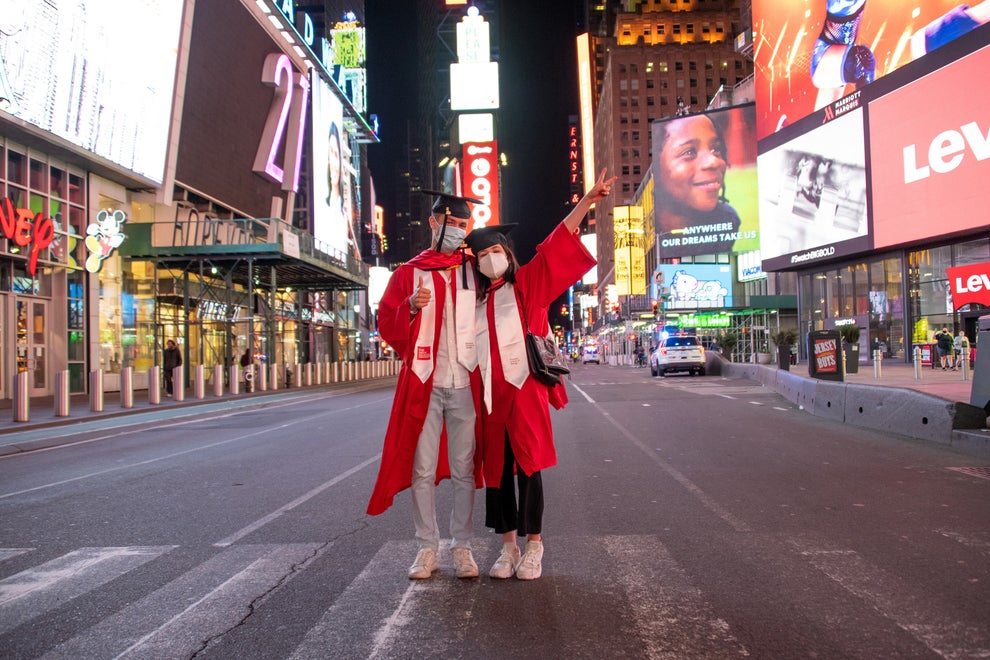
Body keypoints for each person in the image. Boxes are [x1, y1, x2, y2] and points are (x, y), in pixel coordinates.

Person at [465, 168, 615, 581]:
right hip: (492, 399)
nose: (488, 259)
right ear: (475, 265)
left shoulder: (528, 284)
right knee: (497, 474)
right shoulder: (473, 304)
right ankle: (508, 547)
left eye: (494, 251)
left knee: (529, 469)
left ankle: (535, 546)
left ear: (507, 254)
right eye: (480, 256)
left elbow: (554, 247)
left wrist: (585, 203)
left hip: (525, 391)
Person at [367, 190, 485, 581]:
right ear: (433, 223)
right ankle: (426, 547)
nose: (456, 231)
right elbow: (385, 322)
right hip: (425, 382)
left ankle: (463, 547)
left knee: (465, 468)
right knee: (422, 467)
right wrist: (411, 308)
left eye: (462, 226)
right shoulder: (408, 272)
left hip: (465, 380)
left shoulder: (475, 270)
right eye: (450, 224)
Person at [654, 113, 741, 255]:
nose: (713, 161)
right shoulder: (641, 231)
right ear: (657, 169)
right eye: (689, 152)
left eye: (716, 149)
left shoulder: (727, 220)